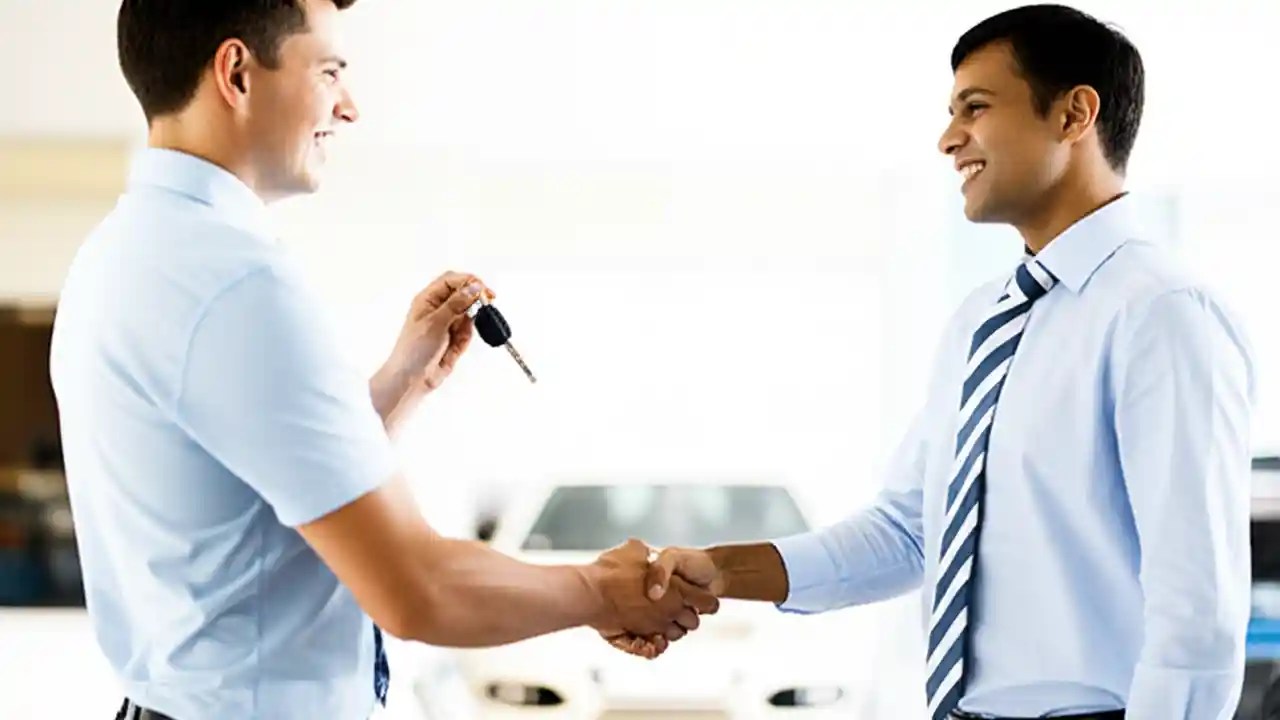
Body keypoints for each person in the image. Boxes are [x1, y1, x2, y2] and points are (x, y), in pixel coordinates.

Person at [49, 2, 716, 719]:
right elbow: (416, 589)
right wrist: (602, 591)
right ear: (237, 73)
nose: (350, 107)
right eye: (330, 71)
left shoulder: (118, 255)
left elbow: (247, 512)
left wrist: (402, 388)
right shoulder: (235, 283)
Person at [610, 5, 1257, 720]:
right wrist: (722, 569)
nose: (950, 140)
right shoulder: (983, 322)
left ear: (1074, 115)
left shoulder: (1161, 314)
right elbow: (911, 532)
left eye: (975, 108)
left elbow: (1197, 614)